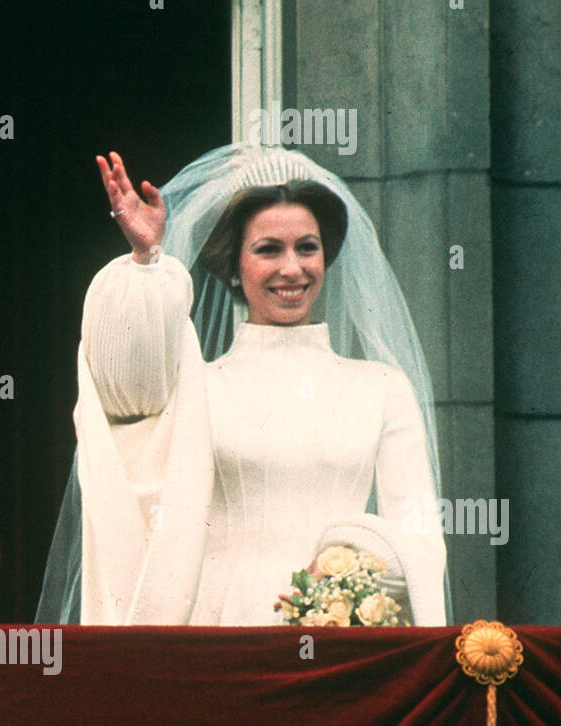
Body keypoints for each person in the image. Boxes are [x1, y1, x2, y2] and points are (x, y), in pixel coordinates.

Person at [36, 143, 449, 626]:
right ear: (235, 264)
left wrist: (346, 568)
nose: (291, 268)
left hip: (345, 639)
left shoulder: (382, 388)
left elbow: (418, 537)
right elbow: (123, 397)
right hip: (221, 632)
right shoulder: (198, 388)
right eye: (268, 249)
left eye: (307, 248)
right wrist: (147, 260)